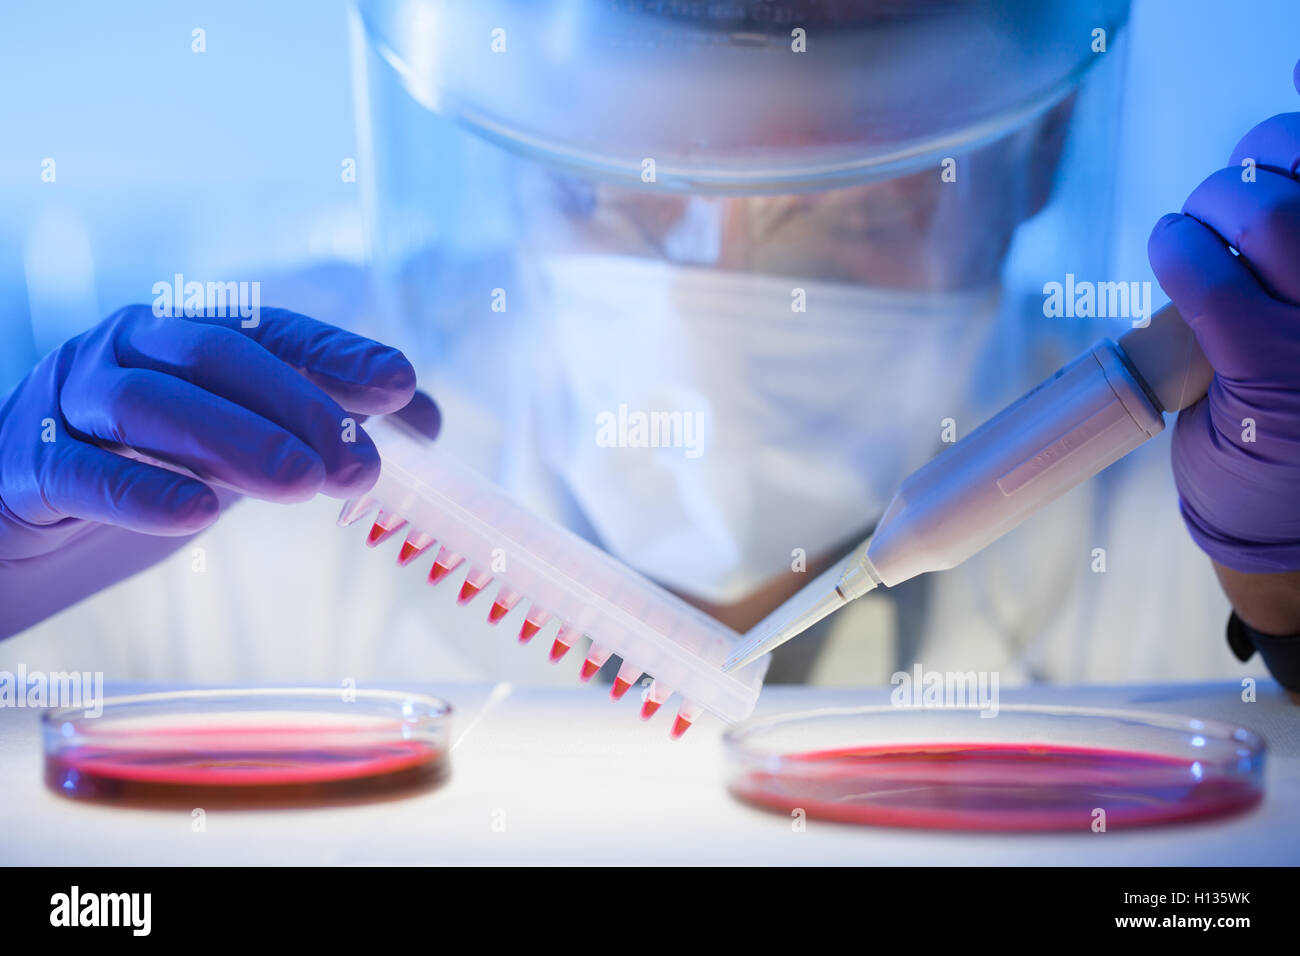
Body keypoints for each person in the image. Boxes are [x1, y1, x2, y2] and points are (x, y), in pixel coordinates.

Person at [1, 6, 1297, 699]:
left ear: (1041, 143)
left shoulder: (1222, 493)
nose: (717, 269)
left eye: (849, 201)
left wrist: (1289, 617)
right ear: (516, 135)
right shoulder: (243, 443)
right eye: (615, 184)